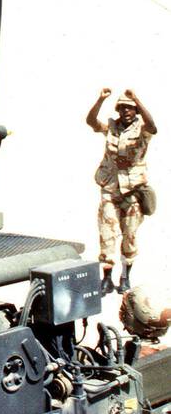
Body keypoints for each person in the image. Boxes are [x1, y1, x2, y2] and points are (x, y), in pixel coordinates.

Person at [86, 88, 157, 294]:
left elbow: (153, 126)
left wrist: (137, 99)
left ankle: (125, 277)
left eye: (130, 108)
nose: (126, 111)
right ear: (118, 109)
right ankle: (106, 278)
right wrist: (100, 99)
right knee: (107, 234)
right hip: (110, 188)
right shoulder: (111, 127)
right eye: (123, 107)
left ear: (136, 111)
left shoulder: (142, 129)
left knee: (130, 236)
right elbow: (91, 121)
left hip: (133, 191)